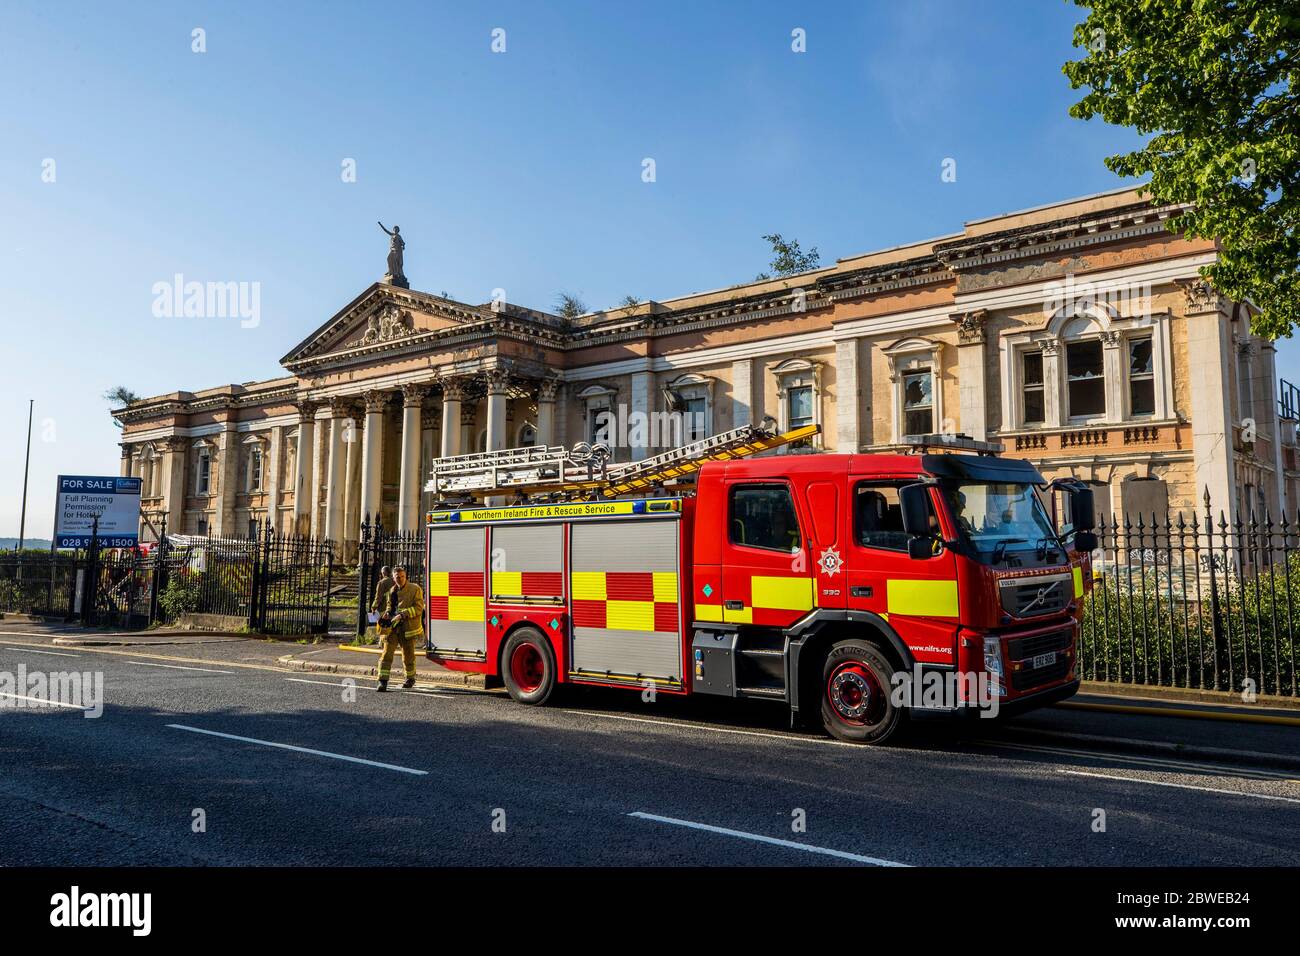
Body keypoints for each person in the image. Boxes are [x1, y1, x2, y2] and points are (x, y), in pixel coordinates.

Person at [375, 566, 424, 692]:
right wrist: (387, 613)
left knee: (408, 655)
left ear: (405, 576)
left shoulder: (415, 589)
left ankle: (410, 678)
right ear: (393, 577)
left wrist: (403, 614)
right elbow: (390, 606)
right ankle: (382, 681)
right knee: (386, 654)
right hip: (392, 628)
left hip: (408, 628)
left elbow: (419, 608)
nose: (400, 579)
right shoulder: (392, 590)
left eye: (402, 576)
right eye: (397, 577)